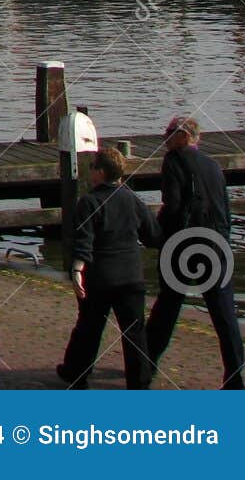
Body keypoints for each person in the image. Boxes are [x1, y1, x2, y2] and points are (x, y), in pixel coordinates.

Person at [145, 116, 245, 389]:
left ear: (182, 137)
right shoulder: (213, 165)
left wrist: (157, 235)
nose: (164, 138)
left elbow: (173, 205)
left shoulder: (174, 161)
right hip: (216, 242)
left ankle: (146, 364)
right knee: (224, 314)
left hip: (185, 244)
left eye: (168, 133)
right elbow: (224, 207)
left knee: (168, 305)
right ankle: (235, 378)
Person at [58, 145, 162, 389]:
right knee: (134, 331)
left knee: (89, 327)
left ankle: (76, 373)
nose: (90, 170)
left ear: (101, 173)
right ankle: (139, 381)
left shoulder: (90, 202)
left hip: (100, 278)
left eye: (93, 167)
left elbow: (84, 240)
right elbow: (153, 235)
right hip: (131, 277)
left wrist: (76, 271)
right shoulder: (133, 200)